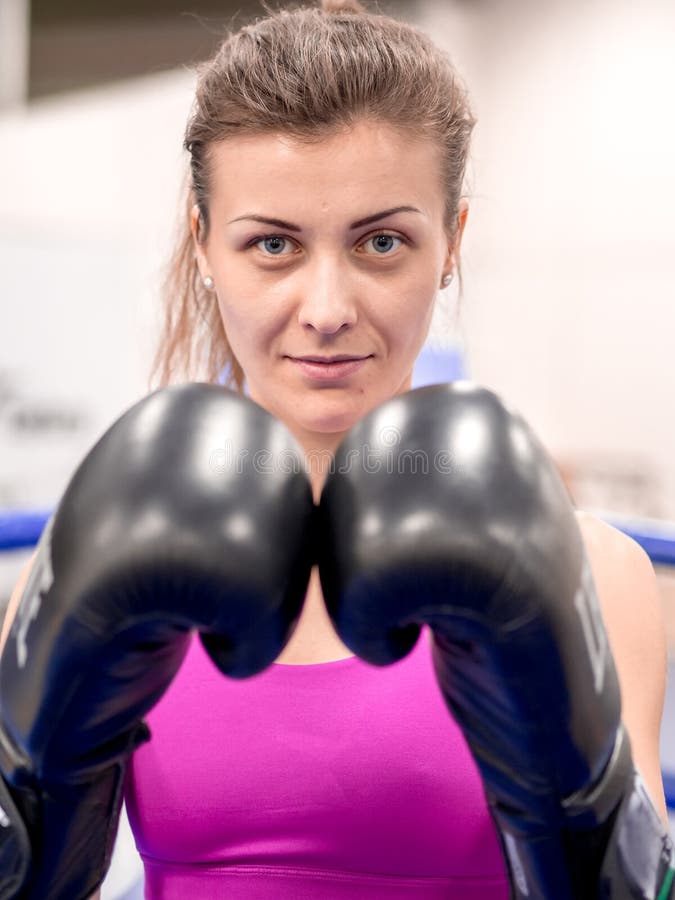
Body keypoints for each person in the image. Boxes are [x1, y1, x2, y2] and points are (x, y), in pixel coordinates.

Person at [0, 0, 667, 897]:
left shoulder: (595, 574)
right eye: (272, 245)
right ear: (204, 247)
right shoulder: (78, 566)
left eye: (381, 242)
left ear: (449, 245)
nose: (326, 309)